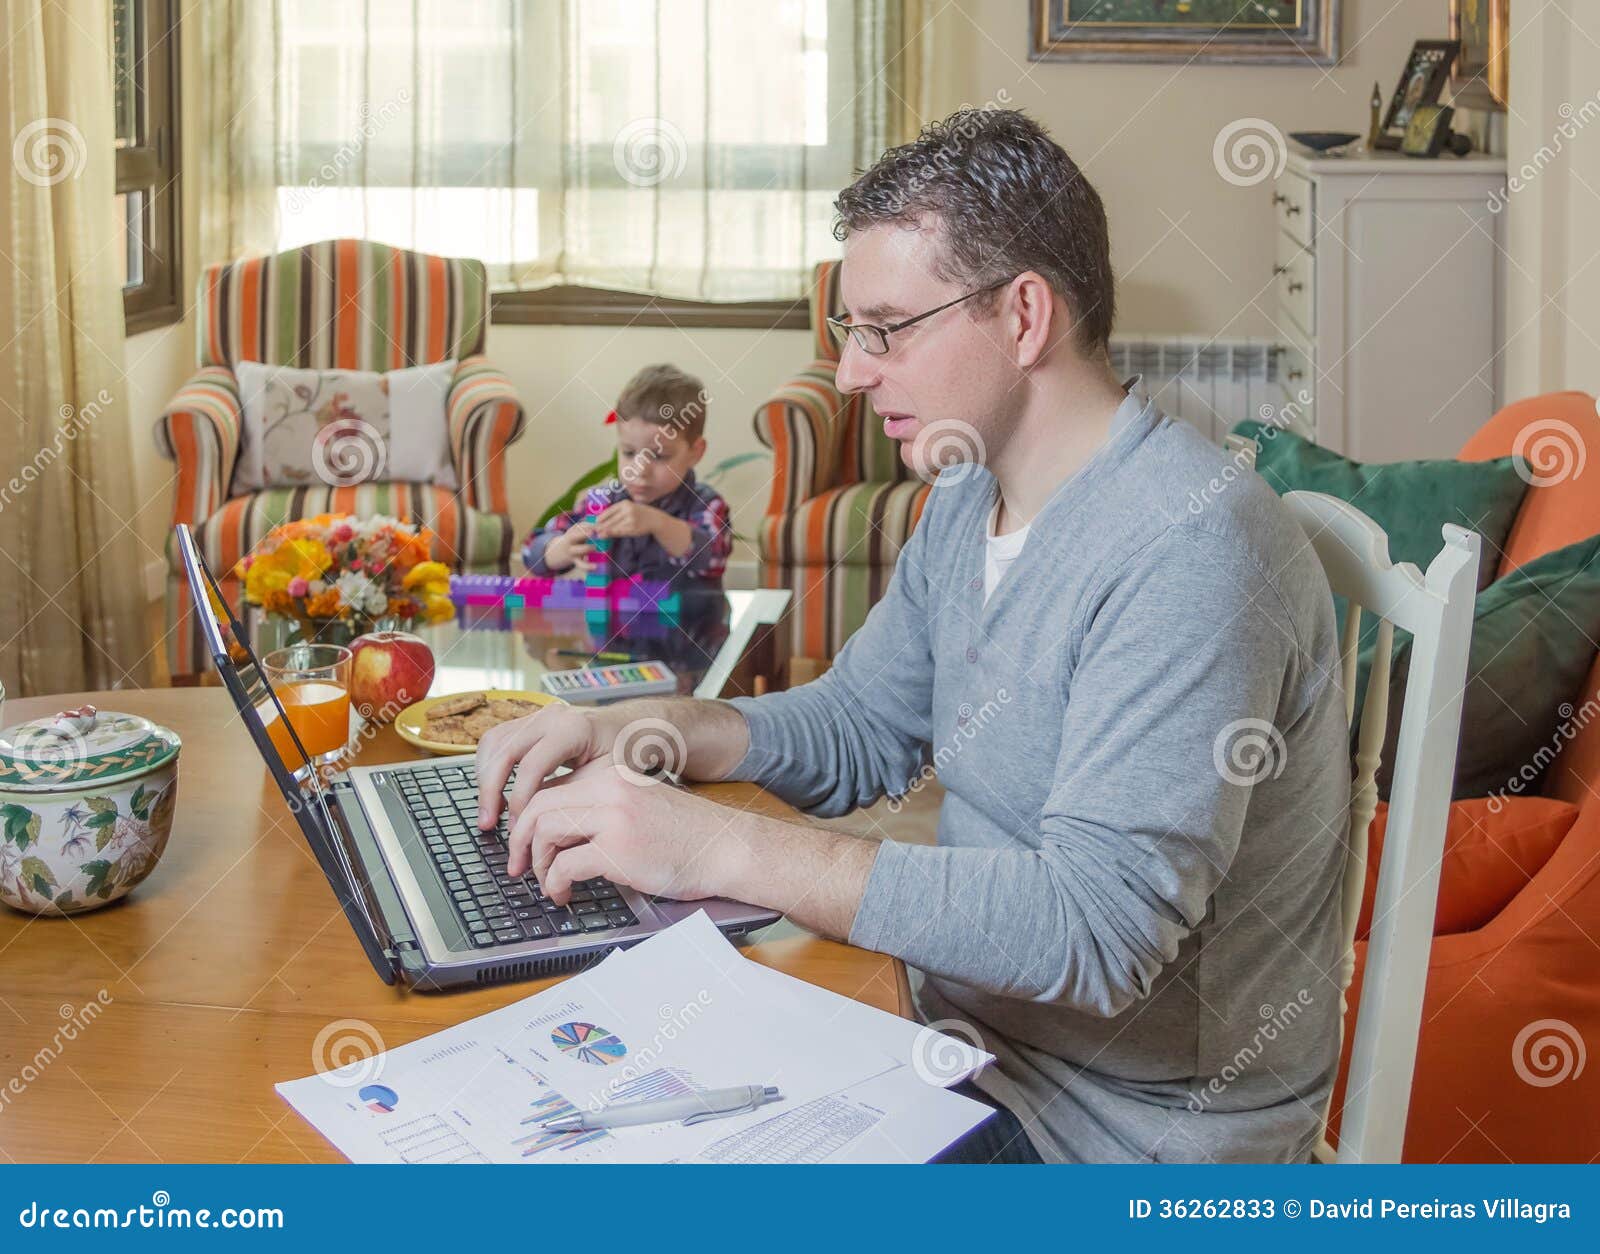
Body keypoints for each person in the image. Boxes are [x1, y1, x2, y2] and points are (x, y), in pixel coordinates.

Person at [477, 108, 1351, 1164]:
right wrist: (657, 727)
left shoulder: (1190, 546)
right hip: (956, 1043)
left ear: (1024, 316)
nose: (852, 373)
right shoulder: (967, 490)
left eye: (885, 328)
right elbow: (861, 725)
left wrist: (715, 844)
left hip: (1115, 1139)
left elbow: (1094, 932)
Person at [522, 364, 732, 584]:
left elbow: (713, 559)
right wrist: (560, 549)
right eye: (629, 453)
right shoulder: (604, 501)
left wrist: (657, 522)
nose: (640, 470)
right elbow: (530, 551)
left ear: (695, 452)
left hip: (692, 618)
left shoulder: (706, 505)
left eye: (659, 456)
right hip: (617, 618)